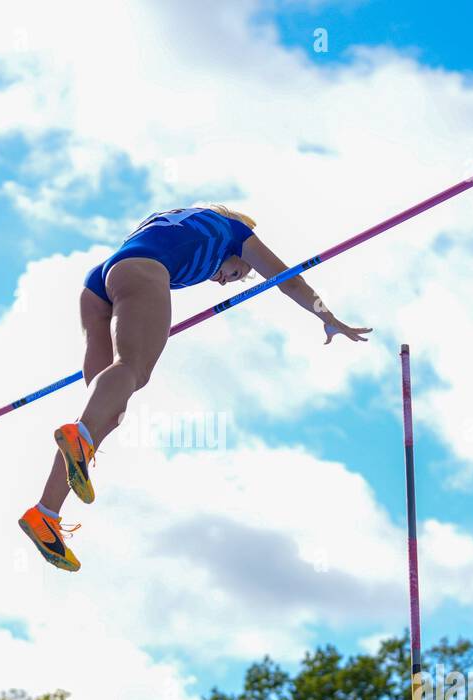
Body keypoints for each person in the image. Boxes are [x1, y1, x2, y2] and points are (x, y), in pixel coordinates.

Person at [18, 204, 372, 571]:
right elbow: (290, 279)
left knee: (107, 412)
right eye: (238, 274)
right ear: (239, 253)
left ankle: (45, 513)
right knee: (133, 371)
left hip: (97, 283)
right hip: (141, 270)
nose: (224, 281)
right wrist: (326, 316)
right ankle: (76, 442)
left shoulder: (179, 218)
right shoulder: (236, 233)